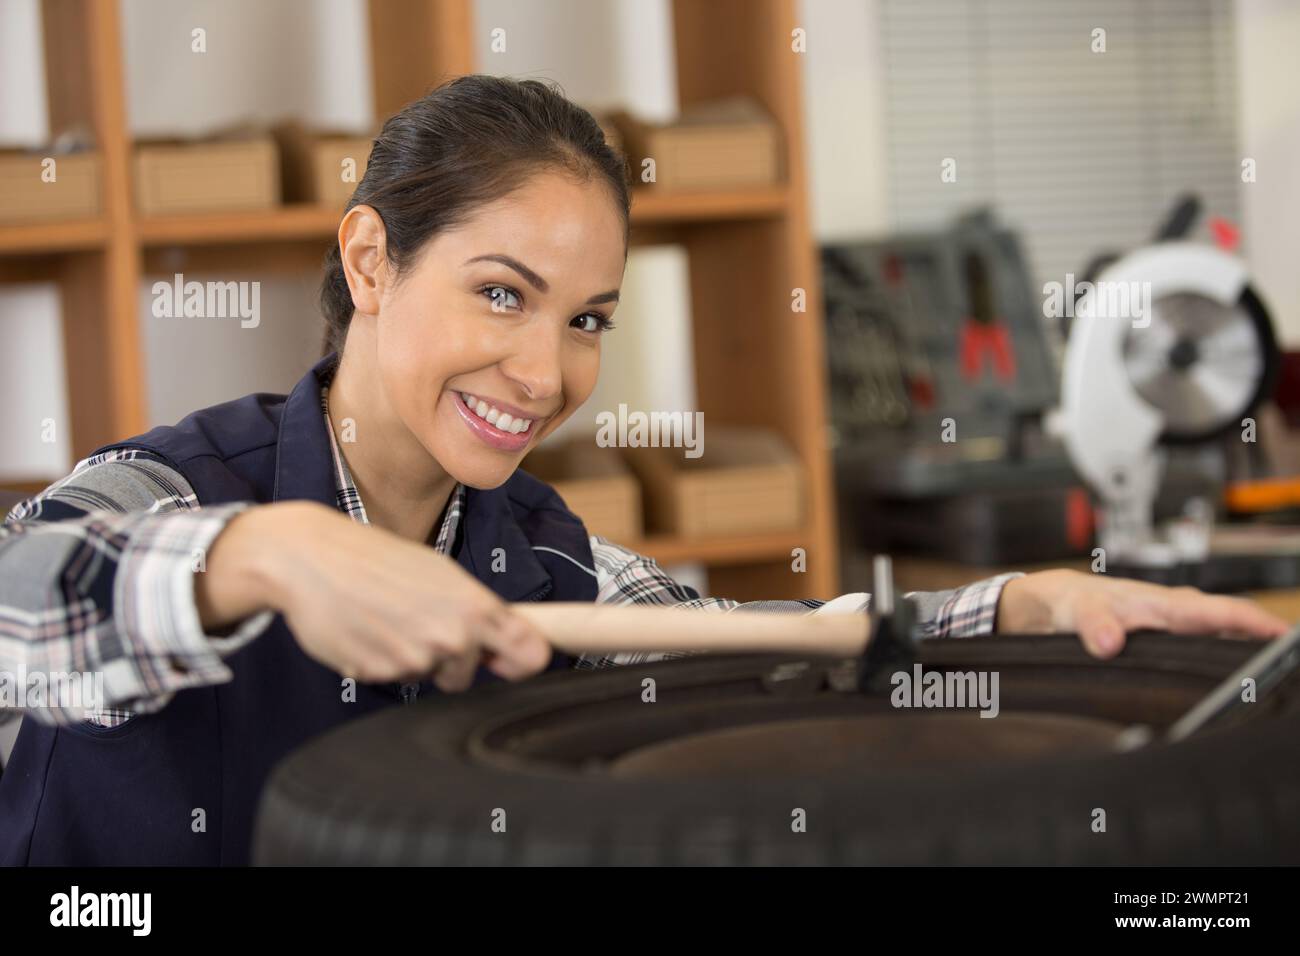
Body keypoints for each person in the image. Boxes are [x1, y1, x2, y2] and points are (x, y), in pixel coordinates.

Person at [0, 75, 1286, 866]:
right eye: (500, 292)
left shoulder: (548, 556)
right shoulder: (174, 491)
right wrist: (262, 554)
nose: (543, 369)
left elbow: (769, 650)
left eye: (585, 318)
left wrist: (1023, 613)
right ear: (373, 261)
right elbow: (21, 605)